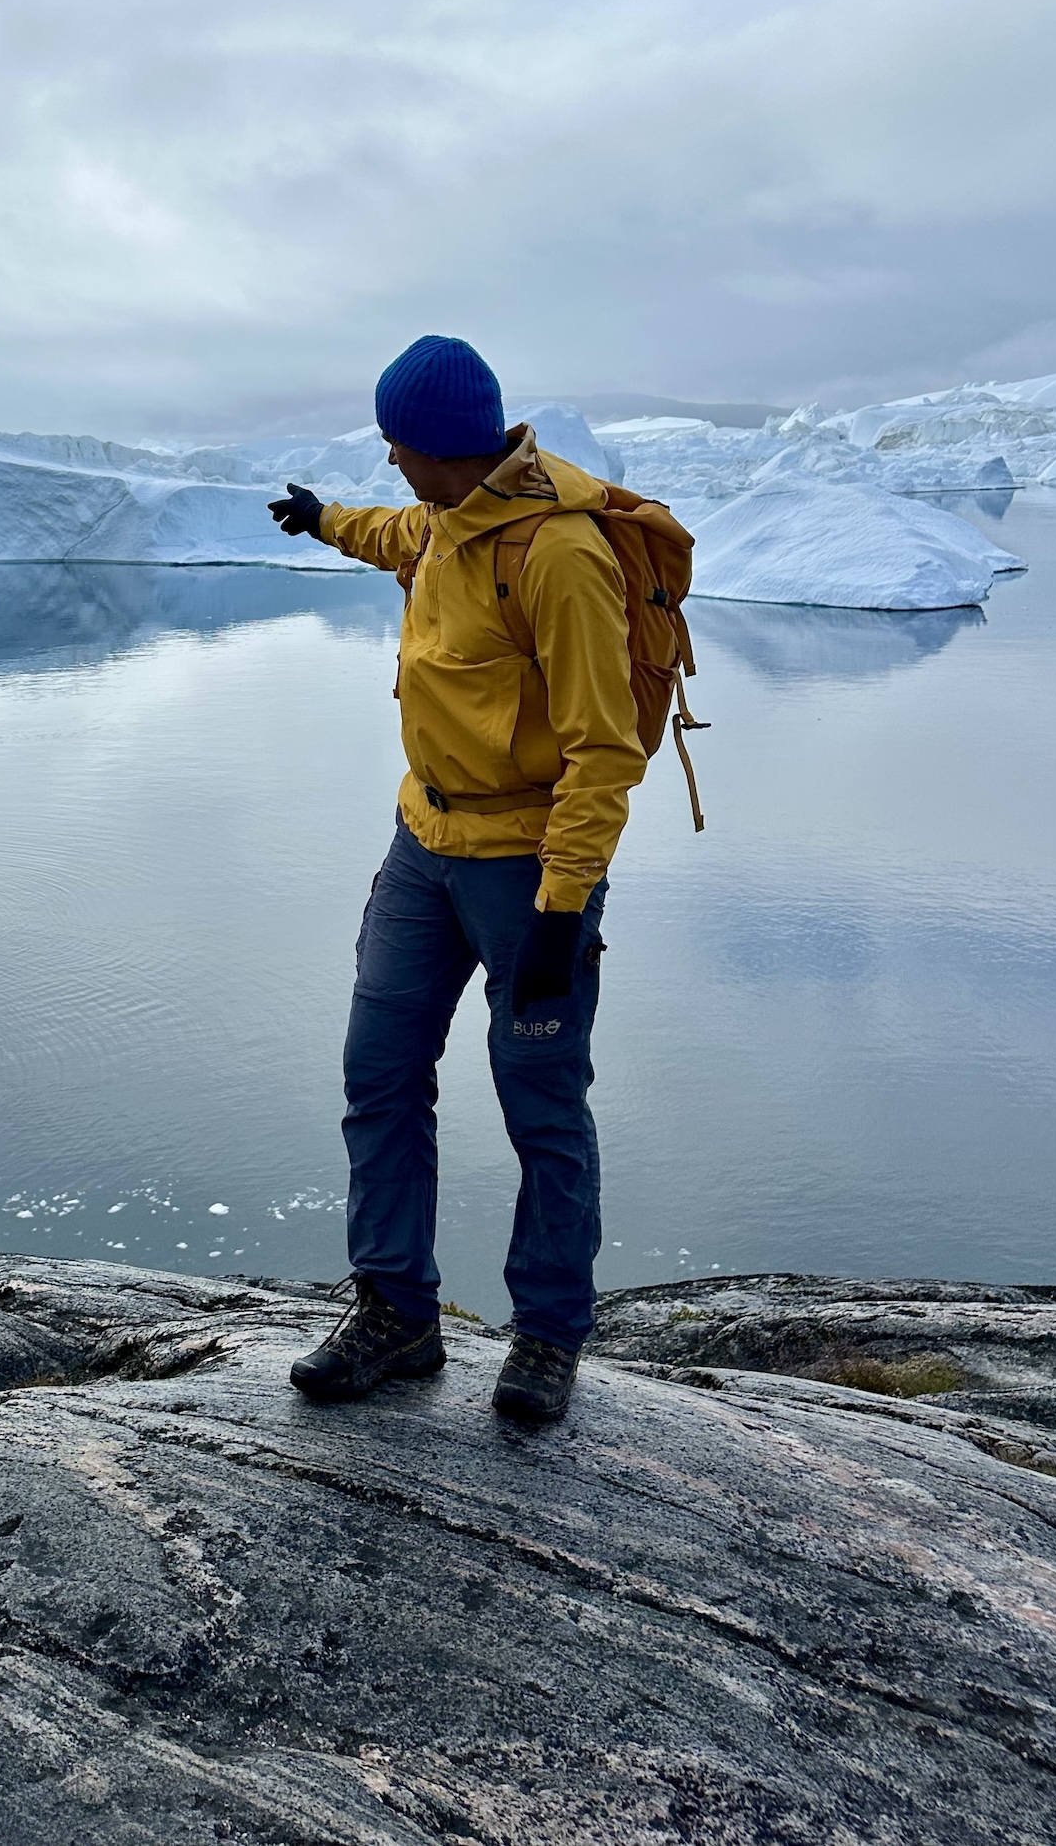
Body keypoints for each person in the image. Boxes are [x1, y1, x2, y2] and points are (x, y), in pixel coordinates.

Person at [269, 334, 646, 1427]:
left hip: (526, 870)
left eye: (396, 442)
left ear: (439, 445)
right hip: (421, 846)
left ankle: (547, 1333)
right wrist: (322, 519)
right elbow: (390, 532)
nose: (387, 459)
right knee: (379, 1073)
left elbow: (604, 749)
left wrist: (562, 908)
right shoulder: (442, 518)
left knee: (541, 1102)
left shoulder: (557, 556)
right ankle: (396, 1313)